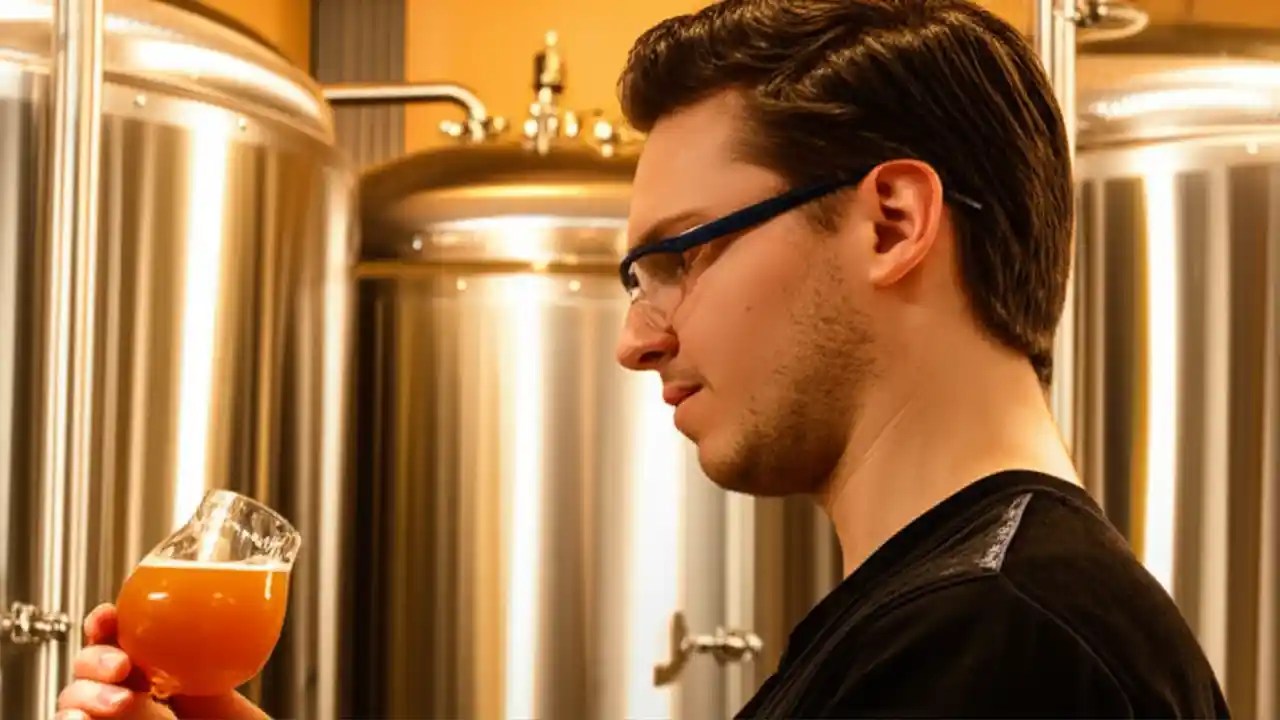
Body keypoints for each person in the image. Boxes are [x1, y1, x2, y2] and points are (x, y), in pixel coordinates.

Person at [57, 1, 1229, 719]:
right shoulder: (951, 611)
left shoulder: (993, 642)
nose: (636, 338)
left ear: (889, 221)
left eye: (680, 256)